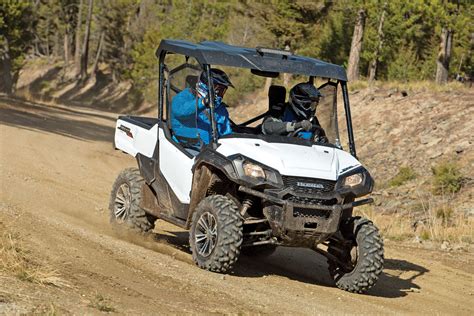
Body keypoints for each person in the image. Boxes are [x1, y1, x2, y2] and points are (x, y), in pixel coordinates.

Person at [171, 69, 233, 148]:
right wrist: (203, 102)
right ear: (207, 86)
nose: (220, 94)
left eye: (223, 91)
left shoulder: (220, 108)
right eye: (218, 90)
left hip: (211, 150)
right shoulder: (184, 97)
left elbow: (226, 133)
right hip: (185, 148)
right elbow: (181, 111)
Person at [261, 82, 327, 142]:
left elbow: (320, 136)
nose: (311, 109)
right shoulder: (280, 110)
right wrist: (295, 126)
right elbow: (267, 127)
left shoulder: (312, 119)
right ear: (297, 102)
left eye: (314, 105)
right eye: (308, 105)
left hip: (303, 152)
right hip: (276, 149)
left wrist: (321, 139)